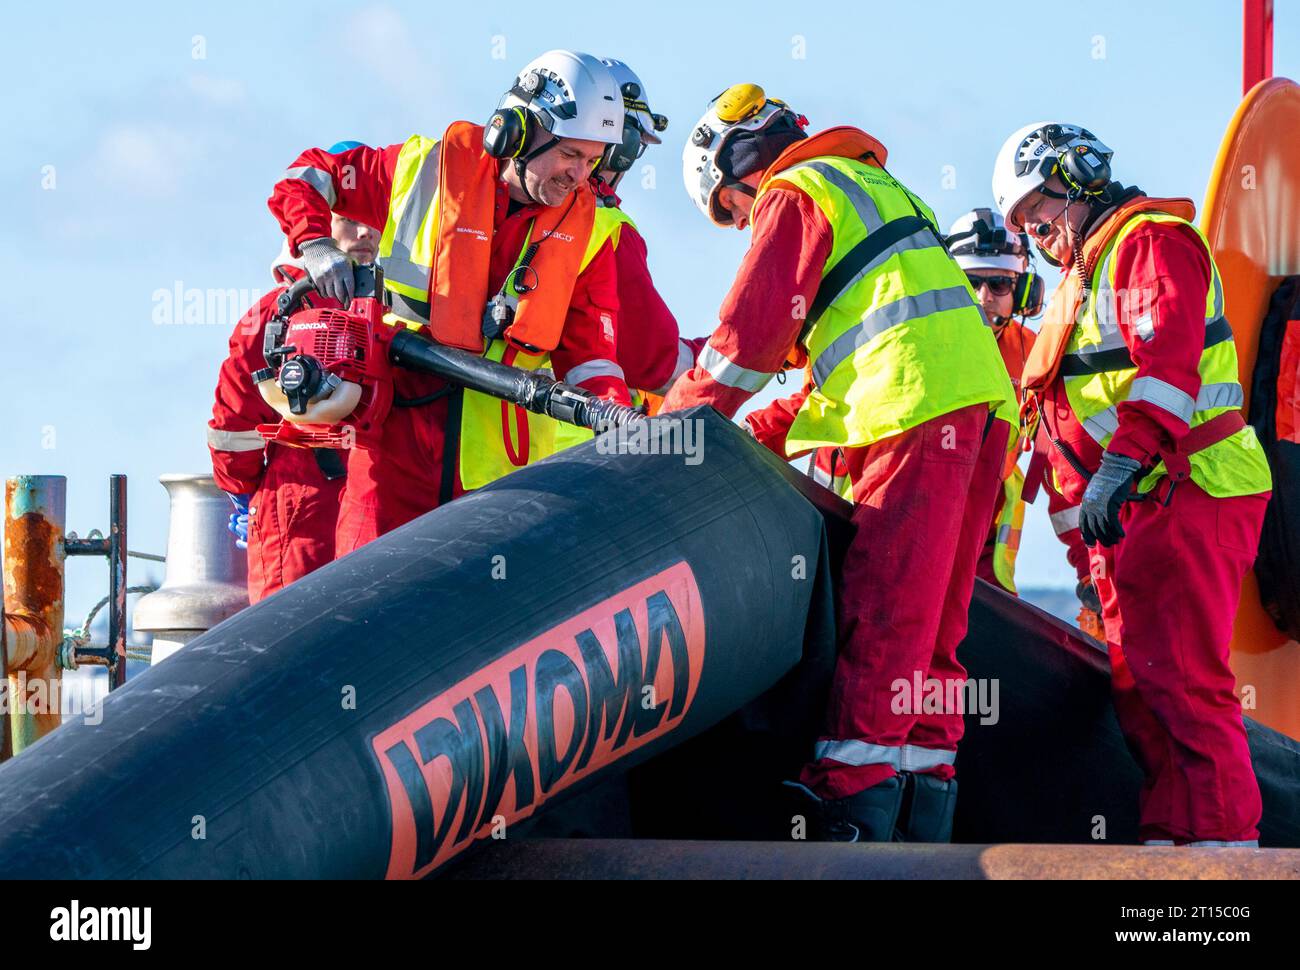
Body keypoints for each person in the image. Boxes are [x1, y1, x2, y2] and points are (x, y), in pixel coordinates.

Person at [663, 84, 1014, 842]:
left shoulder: (795, 192)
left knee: (885, 616)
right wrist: (758, 431)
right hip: (981, 409)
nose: (740, 228)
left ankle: (845, 809)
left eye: (730, 214)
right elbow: (845, 365)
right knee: (935, 633)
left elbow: (740, 346)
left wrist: (665, 437)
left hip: (914, 410)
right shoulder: (874, 184)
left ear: (736, 175)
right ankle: (925, 799)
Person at [995, 121, 1272, 846]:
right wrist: (1089, 561)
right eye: (1025, 226)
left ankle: (1220, 871)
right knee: (1143, 689)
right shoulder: (1087, 276)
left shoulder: (1148, 244)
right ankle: (1170, 849)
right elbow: (1061, 429)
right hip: (1135, 509)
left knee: (1184, 681)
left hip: (1193, 484)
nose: (1038, 236)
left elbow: (1169, 364)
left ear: (1074, 178)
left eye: (1037, 213)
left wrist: (1122, 463)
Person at [266, 51, 631, 555]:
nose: (580, 175)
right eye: (571, 154)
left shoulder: (591, 230)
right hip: (388, 470)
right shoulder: (421, 170)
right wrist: (315, 243)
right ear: (517, 134)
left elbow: (591, 360)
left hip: (501, 492)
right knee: (371, 613)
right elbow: (306, 175)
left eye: (592, 161)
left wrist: (621, 429)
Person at [209, 202, 378, 603]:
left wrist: (243, 492)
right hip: (306, 509)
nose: (364, 233)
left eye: (373, 220)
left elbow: (232, 428)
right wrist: (245, 493)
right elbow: (234, 426)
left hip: (318, 509)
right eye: (350, 220)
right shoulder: (278, 314)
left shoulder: (273, 315)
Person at [944, 208, 1097, 617]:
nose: (983, 297)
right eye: (970, 282)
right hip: (909, 526)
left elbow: (1060, 466)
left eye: (998, 283)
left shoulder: (1036, 357)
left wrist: (1090, 572)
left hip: (987, 554)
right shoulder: (920, 345)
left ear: (1023, 291)